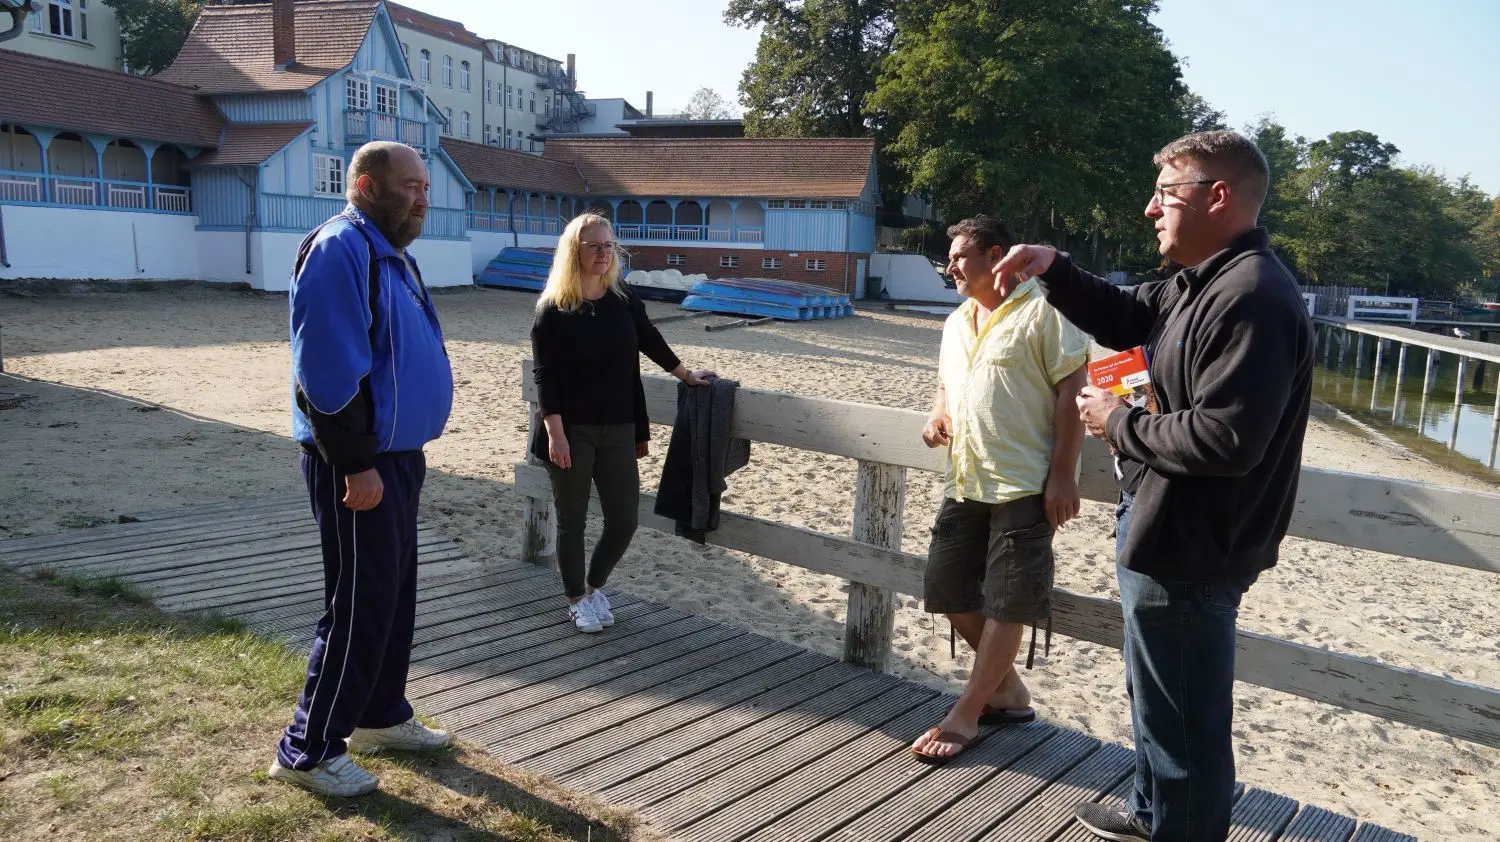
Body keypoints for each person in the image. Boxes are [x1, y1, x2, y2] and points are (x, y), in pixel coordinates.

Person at [995, 130, 1314, 842]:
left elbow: (1227, 440)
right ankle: (1151, 815)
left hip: (1195, 546)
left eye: (1167, 192)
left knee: (1188, 723)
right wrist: (1055, 268)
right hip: (1163, 525)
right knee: (1156, 699)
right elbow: (1130, 315)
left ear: (1219, 196)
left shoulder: (1253, 295)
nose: (1150, 208)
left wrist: (1117, 422)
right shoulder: (1199, 281)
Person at [268, 141, 455, 797]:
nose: (422, 199)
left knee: (392, 596)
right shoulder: (340, 249)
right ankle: (307, 750)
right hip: (360, 463)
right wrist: (356, 463)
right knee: (358, 605)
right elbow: (324, 373)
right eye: (410, 186)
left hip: (397, 460)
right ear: (365, 184)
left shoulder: (391, 254)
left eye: (426, 187)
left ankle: (379, 713)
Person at [909, 215, 1089, 763]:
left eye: (961, 256)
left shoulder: (1048, 309)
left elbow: (1072, 393)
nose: (951, 266)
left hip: (1025, 484)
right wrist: (939, 412)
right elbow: (948, 381)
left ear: (995, 256)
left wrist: (1063, 475)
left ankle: (968, 712)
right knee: (945, 587)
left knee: (1011, 602)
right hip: (965, 476)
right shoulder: (957, 320)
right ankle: (1006, 692)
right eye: (950, 257)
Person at [530, 213, 713, 633]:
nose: (603, 253)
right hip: (571, 432)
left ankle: (593, 587)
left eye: (609, 245)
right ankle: (576, 599)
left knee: (624, 519)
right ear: (573, 251)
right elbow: (546, 378)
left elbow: (649, 338)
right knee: (572, 520)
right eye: (593, 245)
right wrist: (555, 435)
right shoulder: (553, 311)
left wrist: (686, 375)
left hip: (618, 426)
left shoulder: (623, 299)